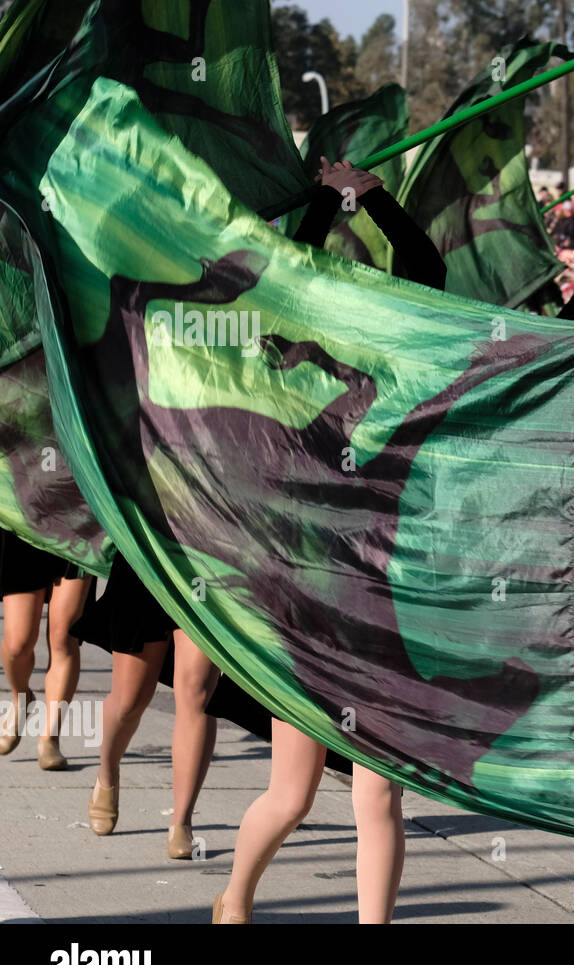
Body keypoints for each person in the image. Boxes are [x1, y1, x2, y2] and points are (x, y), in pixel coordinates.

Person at [213, 158, 450, 923]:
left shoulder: (405, 371)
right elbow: (284, 273)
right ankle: (234, 896)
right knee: (293, 794)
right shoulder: (285, 369)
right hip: (309, 599)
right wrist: (323, 198)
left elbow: (426, 271)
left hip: (385, 601)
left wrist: (373, 199)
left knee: (381, 793)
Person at [73, 554, 219, 860]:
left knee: (198, 694)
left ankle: (182, 820)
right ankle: (107, 773)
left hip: (207, 560)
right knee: (130, 698)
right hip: (146, 553)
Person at [0, 531, 93, 769]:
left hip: (81, 521)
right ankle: (21, 698)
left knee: (64, 636)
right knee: (17, 644)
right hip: (26, 517)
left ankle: (50, 737)